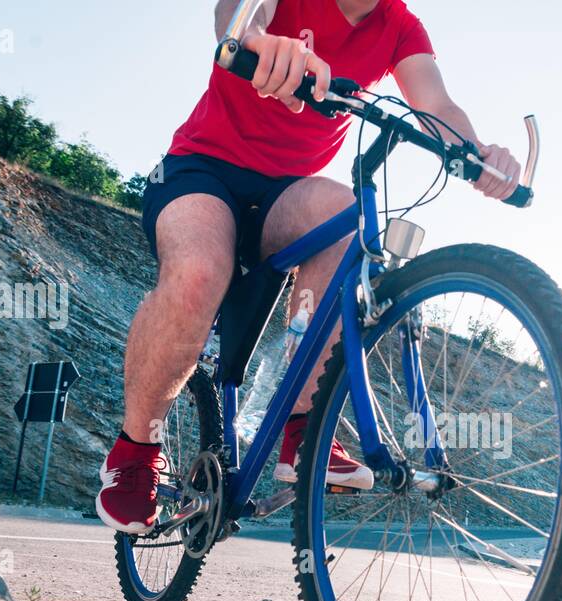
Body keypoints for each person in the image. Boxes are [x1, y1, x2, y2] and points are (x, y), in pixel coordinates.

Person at [96, 0, 521, 533]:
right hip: (201, 170)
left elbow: (436, 103)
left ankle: (304, 429)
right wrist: (255, 39)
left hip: (286, 193)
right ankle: (135, 453)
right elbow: (235, 15)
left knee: (348, 219)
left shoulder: (399, 25)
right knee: (200, 272)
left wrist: (480, 153)